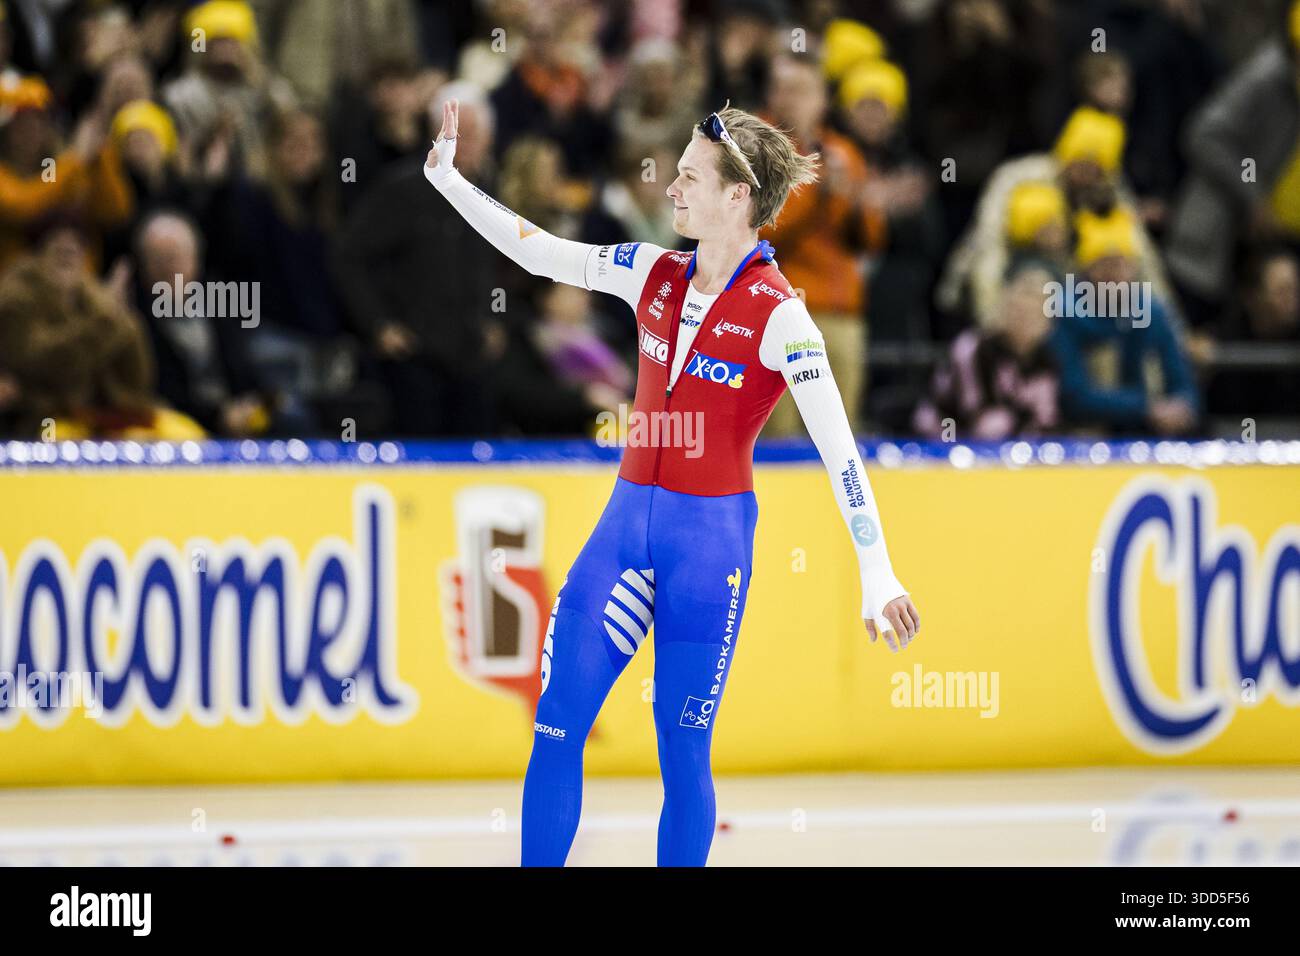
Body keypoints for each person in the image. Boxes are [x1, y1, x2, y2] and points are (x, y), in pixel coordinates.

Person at [423, 98, 920, 867]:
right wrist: (450, 181)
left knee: (682, 753)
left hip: (707, 549)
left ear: (737, 198)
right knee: (556, 722)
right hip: (623, 534)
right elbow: (539, 252)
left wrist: (877, 570)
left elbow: (841, 453)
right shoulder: (650, 272)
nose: (672, 188)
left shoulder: (782, 316)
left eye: (690, 176)